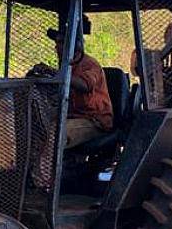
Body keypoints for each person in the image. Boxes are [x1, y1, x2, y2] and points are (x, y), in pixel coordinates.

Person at [27, 19, 113, 148]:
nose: (56, 47)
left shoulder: (89, 64)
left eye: (61, 42)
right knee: (33, 128)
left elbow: (85, 85)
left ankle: (46, 168)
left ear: (75, 45)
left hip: (93, 120)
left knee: (54, 135)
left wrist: (54, 73)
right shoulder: (67, 65)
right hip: (72, 115)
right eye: (56, 42)